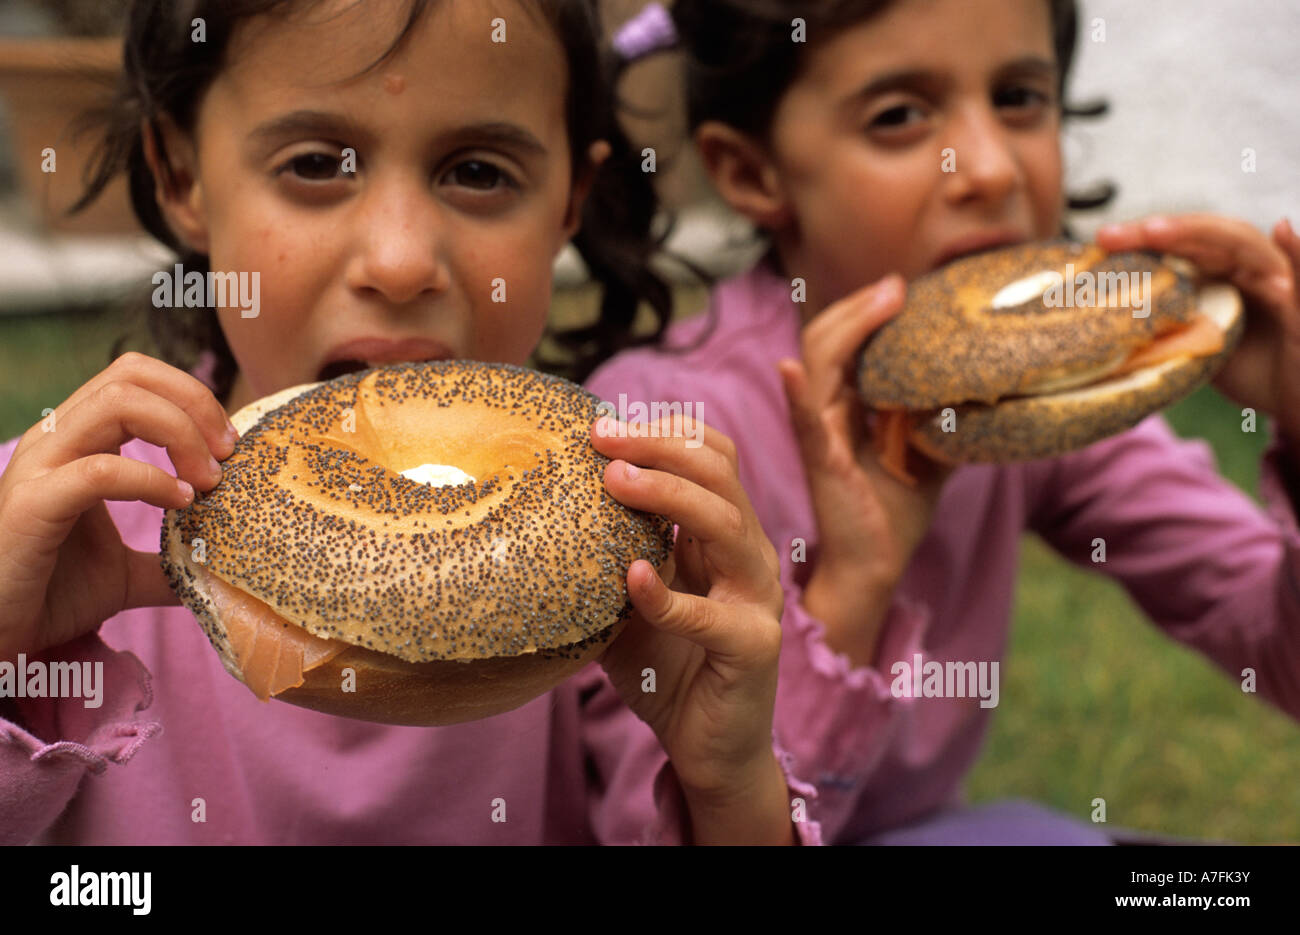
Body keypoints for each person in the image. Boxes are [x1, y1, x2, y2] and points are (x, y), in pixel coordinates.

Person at [0, 0, 819, 845]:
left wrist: (726, 781)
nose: (399, 262)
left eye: (478, 172)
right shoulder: (48, 529)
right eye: (316, 163)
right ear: (180, 177)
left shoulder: (625, 554)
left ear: (571, 200)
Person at [589, 0, 1300, 844]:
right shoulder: (661, 433)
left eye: (1019, 98)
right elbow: (649, 825)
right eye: (899, 116)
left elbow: (1275, 647)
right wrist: (856, 585)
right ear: (751, 174)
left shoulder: (1028, 394)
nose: (991, 167)